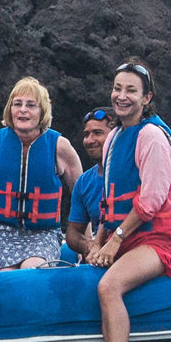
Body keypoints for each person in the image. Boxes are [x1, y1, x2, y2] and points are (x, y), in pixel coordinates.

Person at [84, 61, 171, 342]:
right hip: (125, 237)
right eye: (118, 88)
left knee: (108, 287)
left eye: (131, 90)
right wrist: (99, 242)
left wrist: (115, 240)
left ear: (146, 98)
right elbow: (108, 201)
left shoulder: (152, 136)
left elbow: (151, 201)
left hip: (157, 241)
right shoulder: (114, 137)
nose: (122, 96)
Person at [0, 76, 83, 270]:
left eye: (31, 105)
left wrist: (86, 242)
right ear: (10, 109)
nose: (23, 110)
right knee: (5, 275)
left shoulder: (60, 146)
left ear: (42, 112)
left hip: (42, 232)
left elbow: (82, 197)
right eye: (17, 104)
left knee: (33, 271)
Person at [62, 109, 113, 262]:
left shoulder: (134, 174)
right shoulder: (84, 182)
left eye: (97, 133)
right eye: (86, 135)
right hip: (98, 256)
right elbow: (73, 232)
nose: (89, 140)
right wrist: (87, 245)